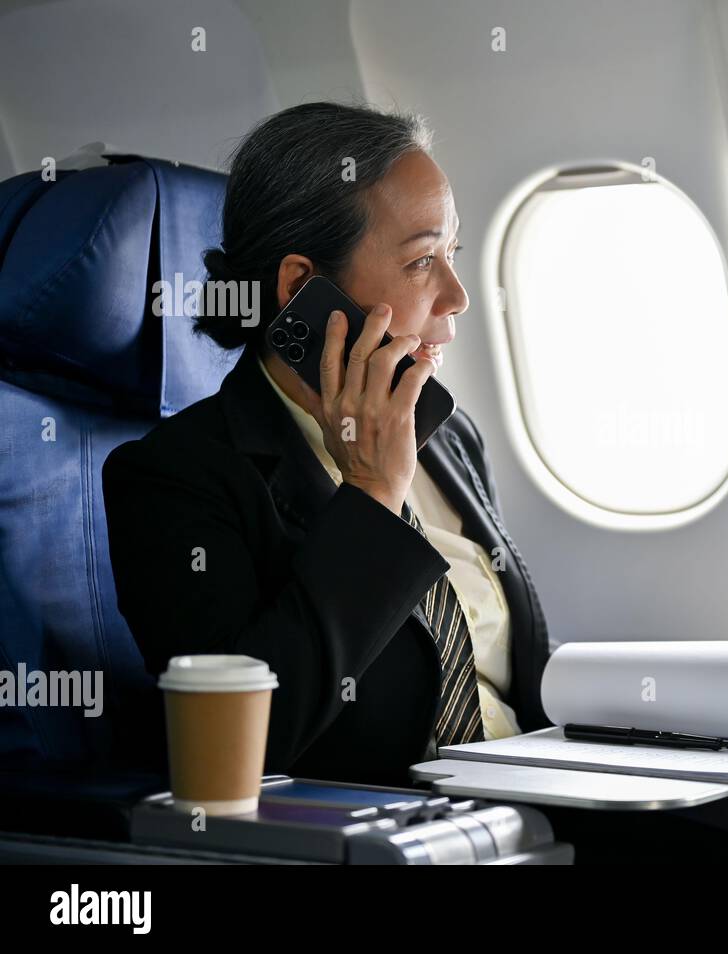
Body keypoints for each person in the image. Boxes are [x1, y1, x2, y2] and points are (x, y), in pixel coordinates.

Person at [103, 102, 550, 788]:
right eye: (422, 260)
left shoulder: (445, 435)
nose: (458, 295)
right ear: (301, 289)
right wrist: (372, 495)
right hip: (393, 828)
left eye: (452, 255)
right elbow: (251, 746)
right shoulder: (175, 479)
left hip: (537, 789)